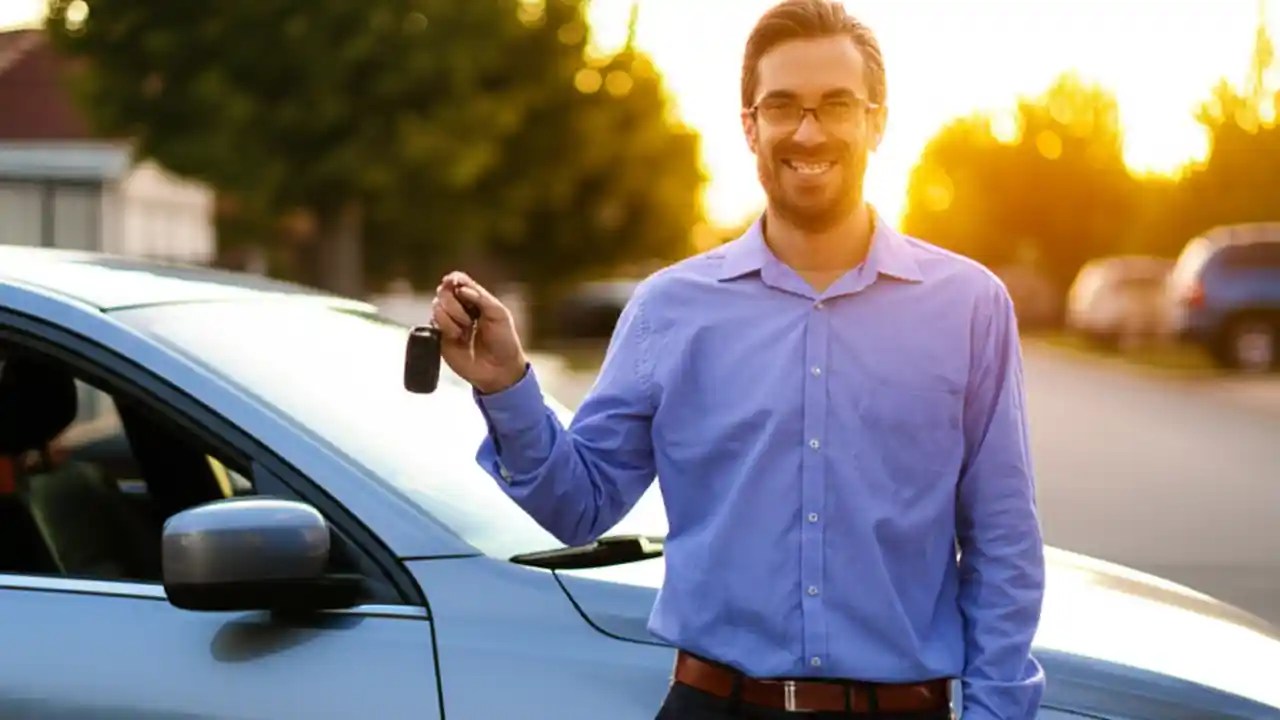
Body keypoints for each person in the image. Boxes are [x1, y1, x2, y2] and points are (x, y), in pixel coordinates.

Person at [430, 0, 1046, 717]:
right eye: (782, 106)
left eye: (836, 106)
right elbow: (581, 506)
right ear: (750, 126)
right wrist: (507, 386)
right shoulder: (670, 308)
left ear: (876, 121)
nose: (808, 130)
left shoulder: (968, 306)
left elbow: (1003, 543)